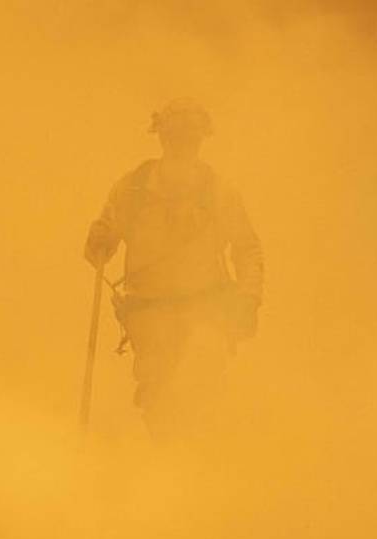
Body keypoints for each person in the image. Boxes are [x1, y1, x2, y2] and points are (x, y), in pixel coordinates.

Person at [83, 99, 263, 432]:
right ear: (163, 140)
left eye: (189, 140)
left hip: (206, 308)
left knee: (203, 374)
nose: (182, 147)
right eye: (175, 139)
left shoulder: (218, 192)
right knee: (159, 396)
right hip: (149, 313)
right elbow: (103, 238)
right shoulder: (133, 190)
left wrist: (248, 298)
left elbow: (246, 248)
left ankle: (199, 454)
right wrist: (99, 241)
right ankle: (168, 458)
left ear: (199, 142)